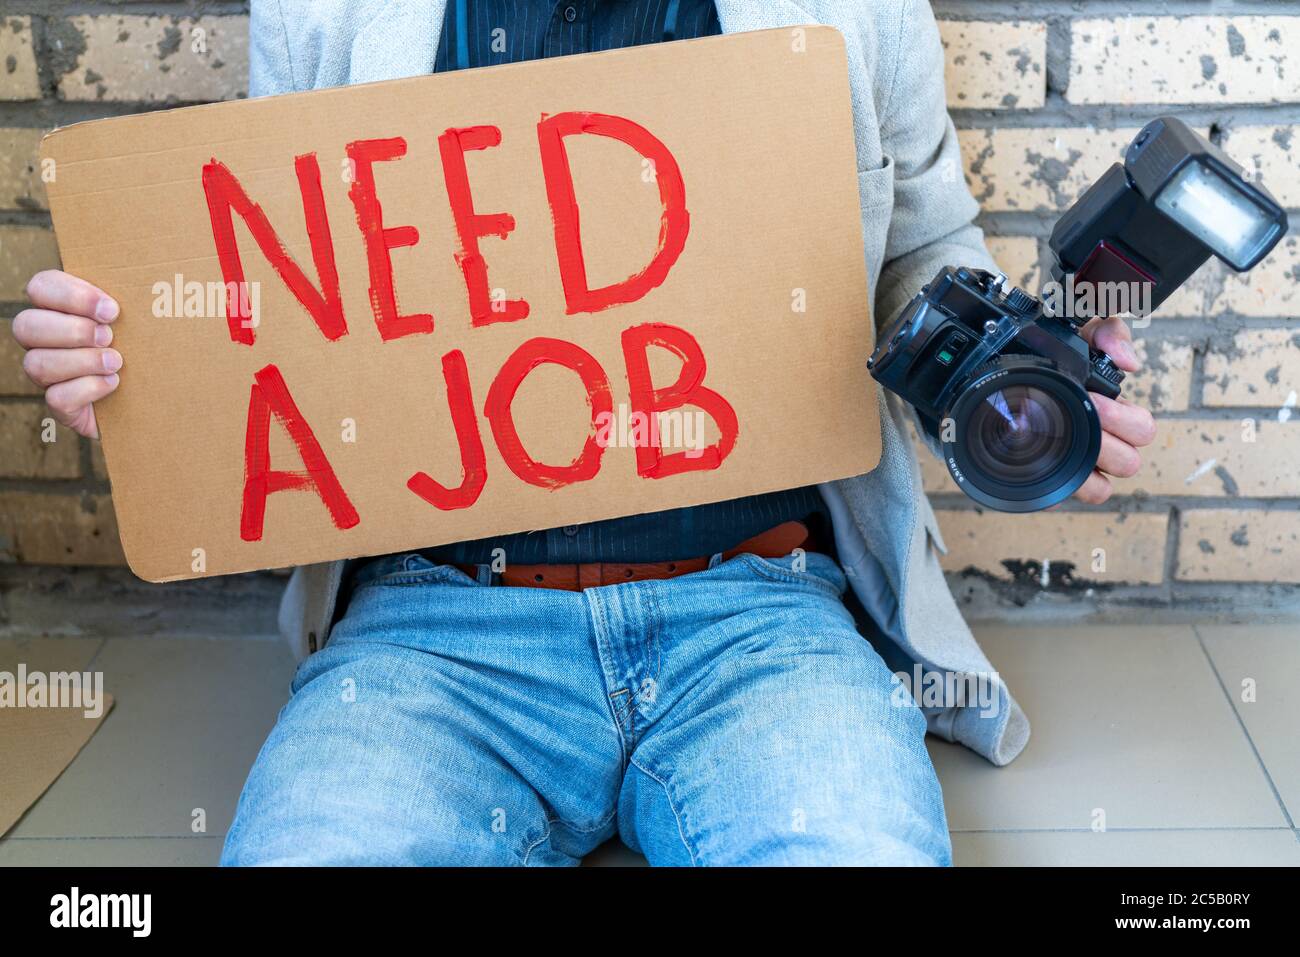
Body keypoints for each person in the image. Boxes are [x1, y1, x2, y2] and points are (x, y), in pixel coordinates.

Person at [10, 0, 1156, 866]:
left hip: (761, 608)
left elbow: (922, 245)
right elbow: (296, 287)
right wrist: (140, 356)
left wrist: (1009, 374)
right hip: (434, 622)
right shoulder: (327, 9)